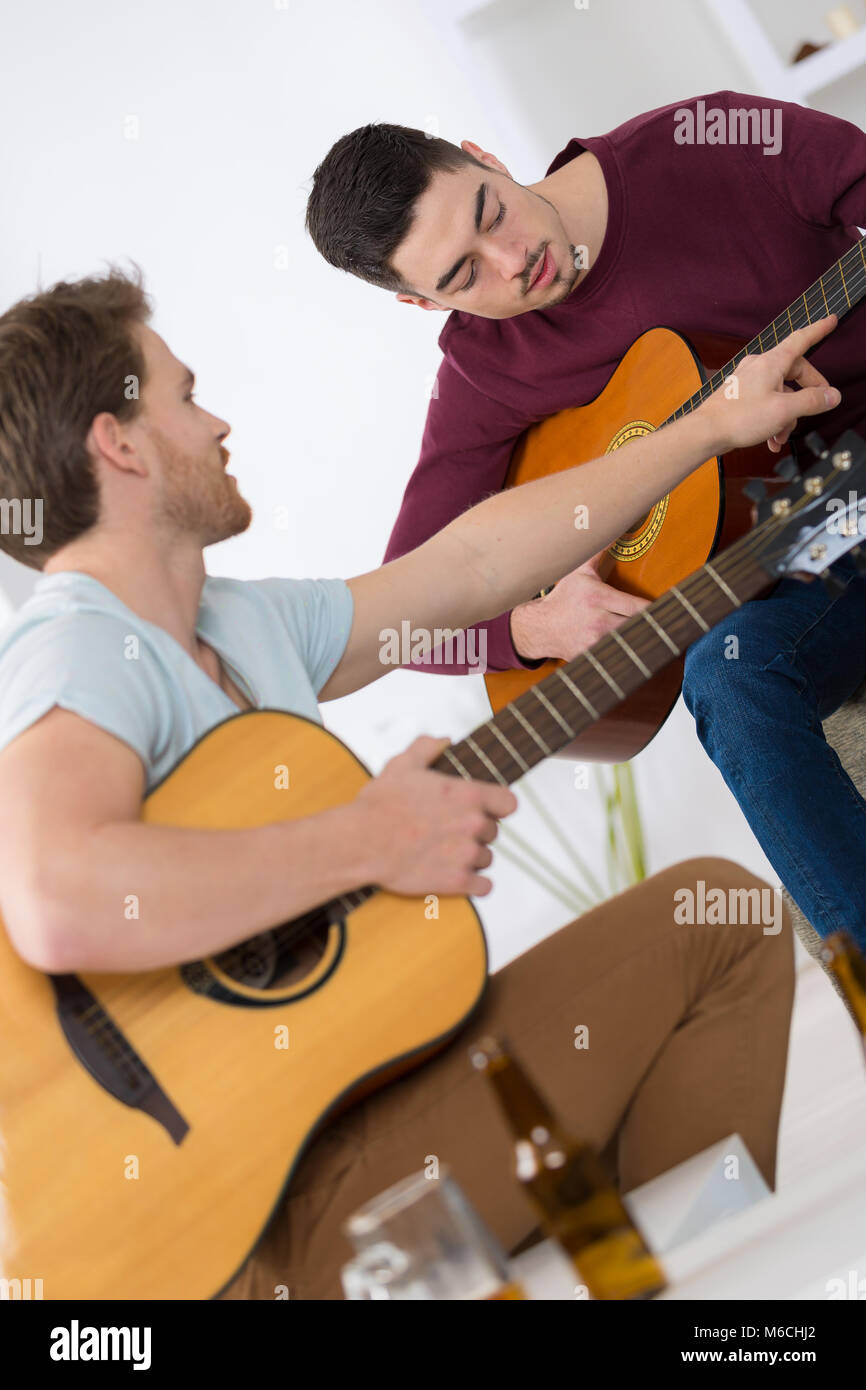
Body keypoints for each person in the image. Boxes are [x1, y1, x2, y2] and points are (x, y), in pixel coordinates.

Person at [0, 271, 835, 1297]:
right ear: (117, 444)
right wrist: (369, 840)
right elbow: (53, 896)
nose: (217, 423)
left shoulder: (243, 623)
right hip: (239, 1221)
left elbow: (473, 565)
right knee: (712, 936)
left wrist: (707, 428)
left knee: (713, 927)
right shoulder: (79, 642)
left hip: (351, 1113)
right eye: (184, 395)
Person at [305, 88, 866, 946]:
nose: (511, 259)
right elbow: (406, 613)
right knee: (728, 675)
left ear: (482, 155)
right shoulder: (485, 370)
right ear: (422, 305)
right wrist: (531, 627)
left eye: (491, 213)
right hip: (803, 560)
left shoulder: (705, 140)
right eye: (464, 276)